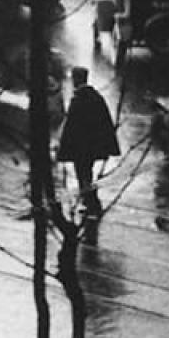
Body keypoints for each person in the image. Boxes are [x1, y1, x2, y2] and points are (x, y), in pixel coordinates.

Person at [56, 66, 120, 222]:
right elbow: (105, 122)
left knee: (83, 174)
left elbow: (71, 127)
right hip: (92, 146)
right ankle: (91, 202)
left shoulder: (78, 100)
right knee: (87, 173)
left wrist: (64, 148)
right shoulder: (96, 98)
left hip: (80, 147)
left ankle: (91, 203)